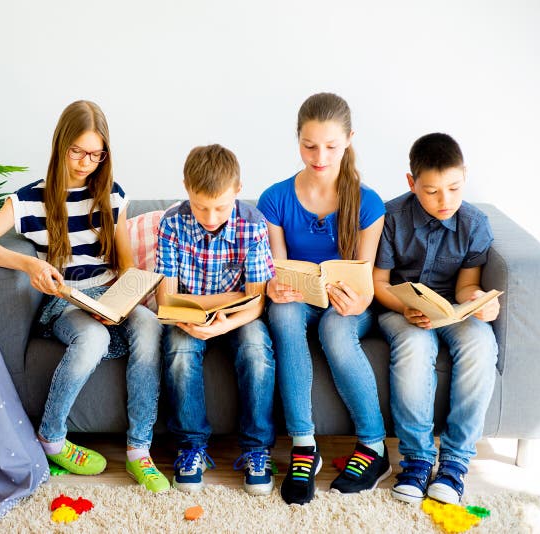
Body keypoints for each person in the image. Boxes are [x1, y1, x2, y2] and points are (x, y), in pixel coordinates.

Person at [0, 100, 169, 493]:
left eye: (96, 154)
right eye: (78, 151)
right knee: (93, 337)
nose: (86, 162)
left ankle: (139, 451)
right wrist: (29, 266)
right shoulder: (30, 199)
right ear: (61, 146)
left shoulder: (112, 195)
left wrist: (123, 301)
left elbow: (125, 266)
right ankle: (51, 438)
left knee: (149, 328)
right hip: (65, 299)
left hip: (110, 294)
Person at [257, 92, 389, 505]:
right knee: (281, 312)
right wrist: (273, 287)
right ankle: (303, 444)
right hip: (299, 298)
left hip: (348, 307)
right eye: (310, 145)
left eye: (331, 146)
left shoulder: (367, 202)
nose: (320, 156)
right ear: (297, 140)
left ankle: (374, 447)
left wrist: (355, 301)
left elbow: (366, 283)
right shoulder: (274, 199)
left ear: (349, 139)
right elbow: (275, 269)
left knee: (335, 328)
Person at [373, 132, 499, 505]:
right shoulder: (392, 217)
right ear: (411, 184)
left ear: (464, 176)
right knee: (415, 343)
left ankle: (455, 462)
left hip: (451, 311)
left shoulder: (474, 224)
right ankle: (416, 459)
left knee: (480, 341)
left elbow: (466, 287)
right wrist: (404, 308)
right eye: (431, 191)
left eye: (454, 188)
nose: (445, 201)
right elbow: (379, 283)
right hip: (401, 306)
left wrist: (476, 301)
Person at [156, 144, 276, 495]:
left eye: (220, 207)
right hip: (185, 317)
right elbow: (166, 299)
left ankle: (257, 450)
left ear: (238, 191)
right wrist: (211, 306)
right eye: (200, 207)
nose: (210, 217)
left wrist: (224, 320)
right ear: (186, 189)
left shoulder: (252, 224)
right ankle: (191, 446)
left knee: (256, 349)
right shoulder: (172, 224)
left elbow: (256, 302)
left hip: (238, 319)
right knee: (179, 352)